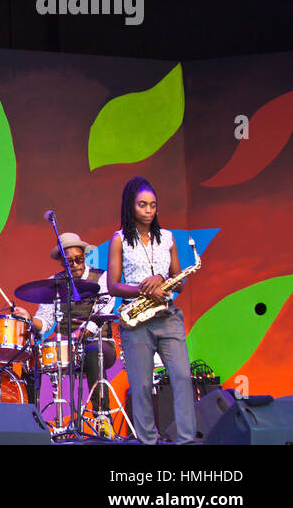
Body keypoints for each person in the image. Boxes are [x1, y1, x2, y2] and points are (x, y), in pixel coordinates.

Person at [106, 177, 196, 444]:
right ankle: (148, 441)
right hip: (136, 321)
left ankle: (186, 440)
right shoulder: (119, 239)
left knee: (182, 378)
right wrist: (144, 289)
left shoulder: (168, 238)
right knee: (142, 386)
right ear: (130, 206)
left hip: (168, 318)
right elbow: (113, 285)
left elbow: (179, 281)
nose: (148, 210)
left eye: (153, 205)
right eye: (142, 205)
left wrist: (161, 280)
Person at [23, 232, 117, 414]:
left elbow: (104, 310)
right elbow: (45, 320)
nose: (75, 265)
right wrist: (29, 318)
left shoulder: (102, 278)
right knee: (32, 358)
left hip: (98, 343)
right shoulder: (54, 283)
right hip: (65, 347)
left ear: (84, 256)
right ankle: (31, 419)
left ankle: (102, 417)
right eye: (69, 262)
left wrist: (83, 334)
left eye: (78, 260)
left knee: (93, 353)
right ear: (61, 262)